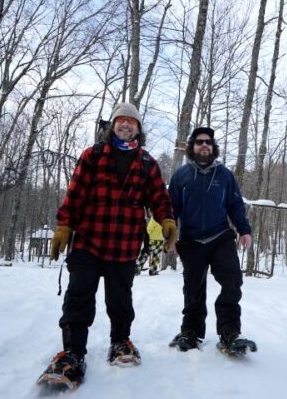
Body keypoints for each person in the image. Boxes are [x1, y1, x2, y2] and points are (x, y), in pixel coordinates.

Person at [38, 102, 178, 392]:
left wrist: (166, 219)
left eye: (132, 122)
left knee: (120, 299)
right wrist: (64, 226)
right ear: (112, 125)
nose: (126, 125)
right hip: (88, 240)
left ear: (139, 128)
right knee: (78, 297)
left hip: (125, 244)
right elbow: (74, 195)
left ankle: (120, 341)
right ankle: (72, 353)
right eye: (120, 121)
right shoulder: (93, 155)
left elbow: (159, 198)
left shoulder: (148, 163)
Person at [167, 127, 256, 355]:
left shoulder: (224, 175)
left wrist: (244, 230)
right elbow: (171, 209)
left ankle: (229, 333)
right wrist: (170, 235)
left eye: (208, 142)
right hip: (190, 240)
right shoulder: (181, 176)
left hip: (220, 236)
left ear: (213, 147)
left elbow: (235, 205)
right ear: (192, 147)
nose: (204, 145)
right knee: (193, 287)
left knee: (232, 279)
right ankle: (191, 332)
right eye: (199, 142)